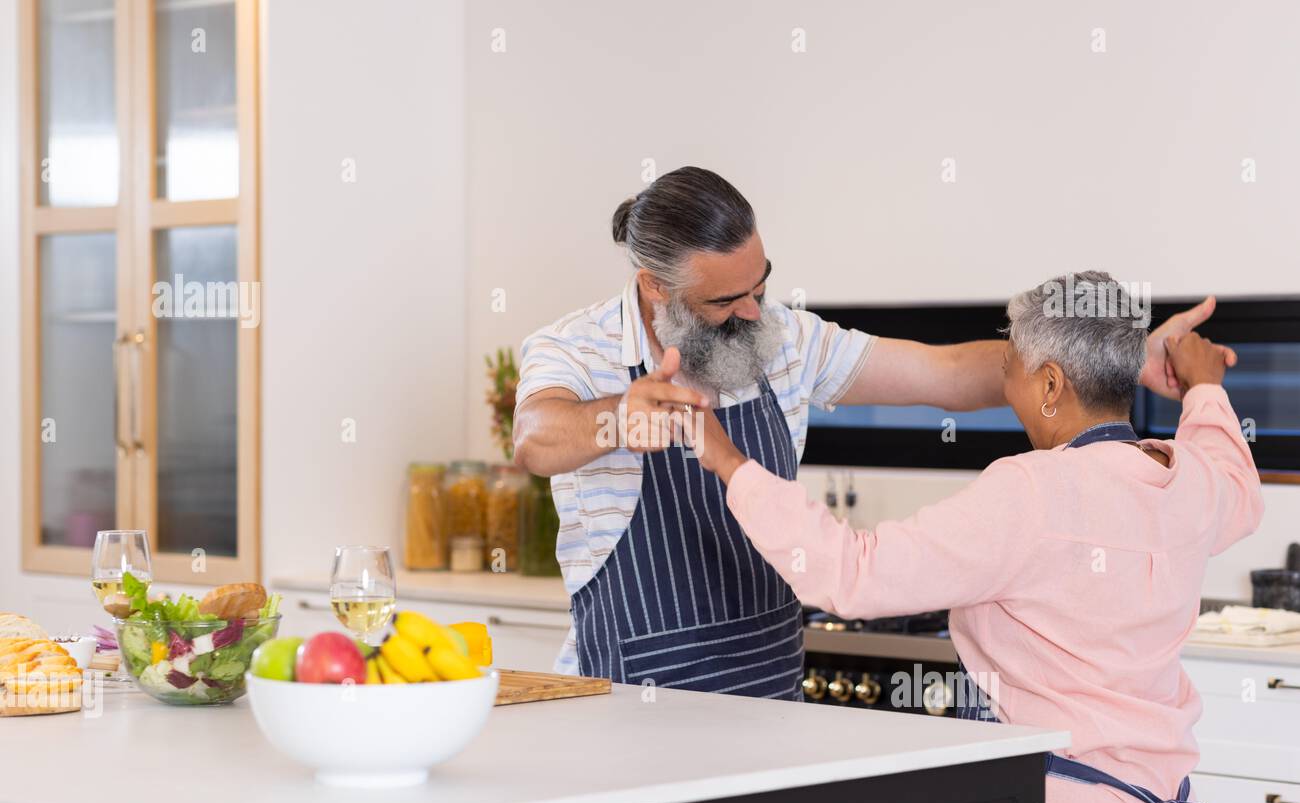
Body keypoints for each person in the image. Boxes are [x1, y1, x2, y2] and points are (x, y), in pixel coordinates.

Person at [513, 166, 1230, 701]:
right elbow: (535, 437)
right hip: (629, 702)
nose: (755, 311)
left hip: (766, 697)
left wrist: (1124, 358)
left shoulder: (786, 339)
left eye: (761, 284)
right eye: (727, 301)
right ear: (654, 287)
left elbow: (947, 375)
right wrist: (618, 416)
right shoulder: (577, 348)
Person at [692, 272, 1264, 803]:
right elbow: (1237, 480)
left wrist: (729, 461)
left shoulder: (1030, 493)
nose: (1002, 373)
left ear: (1050, 384)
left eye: (1011, 360)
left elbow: (853, 573)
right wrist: (1205, 388)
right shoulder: (1187, 479)